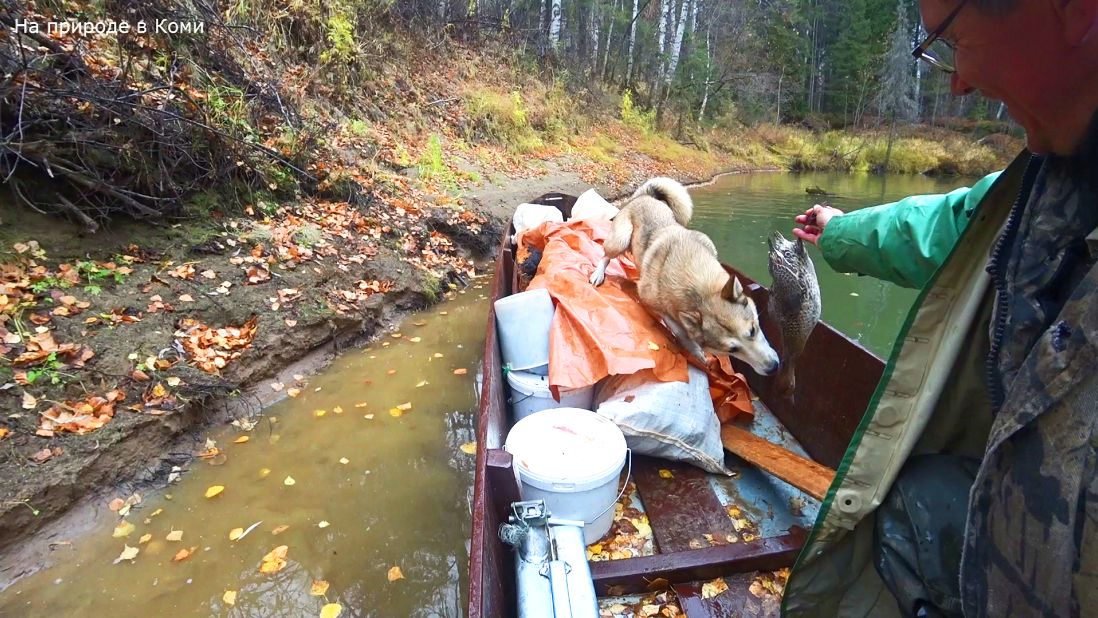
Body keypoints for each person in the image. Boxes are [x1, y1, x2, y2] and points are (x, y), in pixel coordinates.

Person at [779, 1, 1098, 617]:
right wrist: (841, 232)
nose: (957, 81)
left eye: (954, 40)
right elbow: (952, 225)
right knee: (914, 494)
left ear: (1072, 9)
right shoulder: (1045, 171)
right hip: (1013, 547)